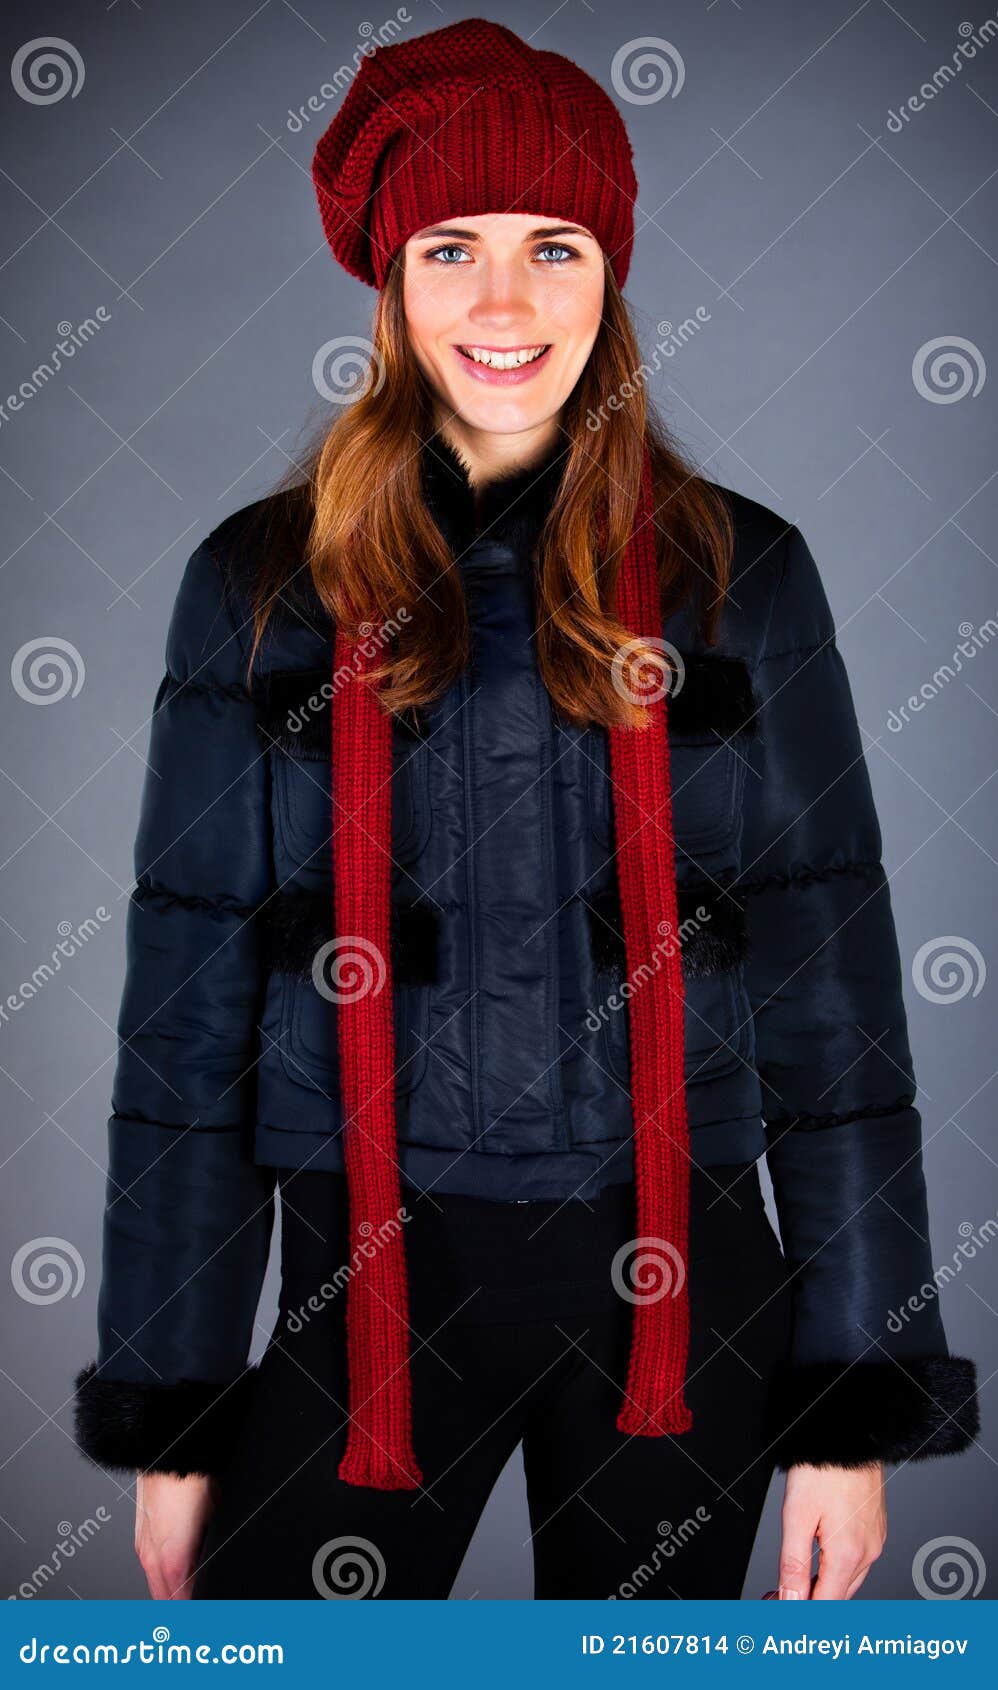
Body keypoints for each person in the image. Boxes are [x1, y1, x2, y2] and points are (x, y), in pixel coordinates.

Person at [72, 18, 979, 1602]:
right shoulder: (260, 583)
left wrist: (854, 1402)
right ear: (391, 282)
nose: (505, 303)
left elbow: (836, 998)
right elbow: (185, 1019)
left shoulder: (739, 576)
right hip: (352, 1290)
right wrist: (173, 1406)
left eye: (553, 246)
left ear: (608, 275)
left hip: (681, 1300)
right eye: (451, 248)